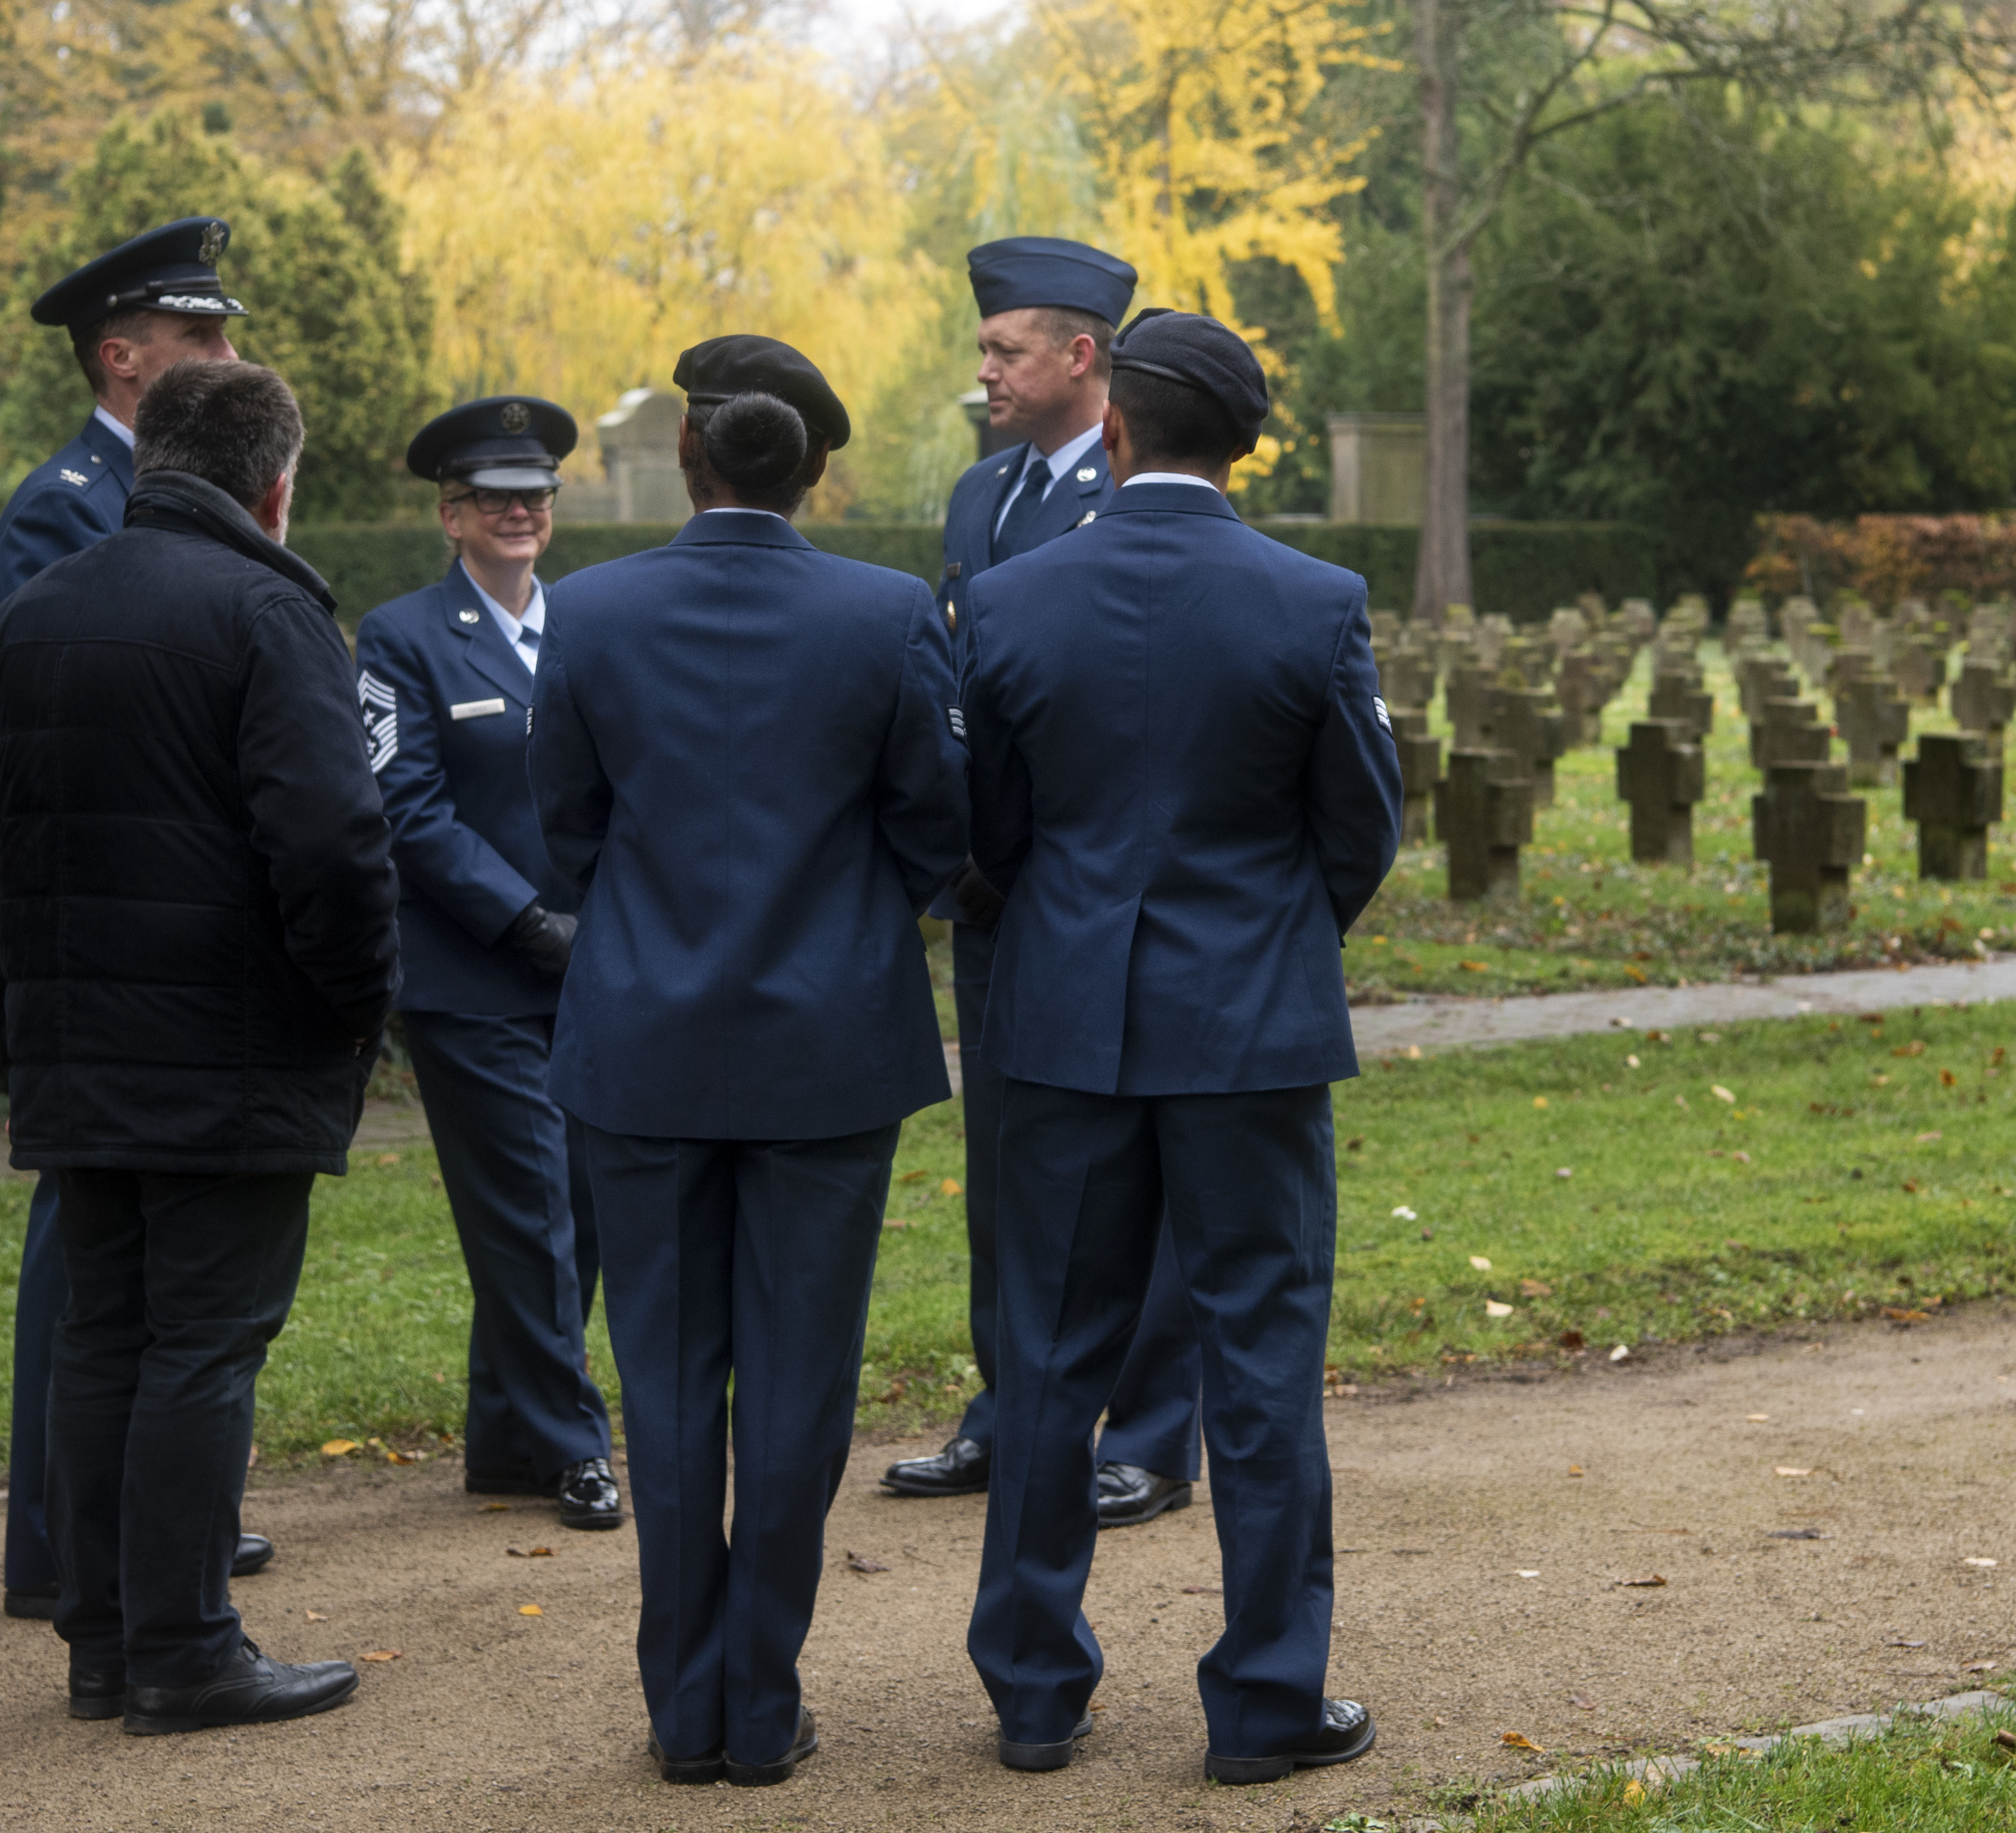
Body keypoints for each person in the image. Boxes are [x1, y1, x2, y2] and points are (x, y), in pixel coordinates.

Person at [958, 309, 1401, 1783]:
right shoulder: (1315, 598)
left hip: (1069, 1027)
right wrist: (1270, 937)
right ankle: (1267, 1704)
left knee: (1047, 1357)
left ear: (1121, 426)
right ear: (1244, 445)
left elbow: (996, 836)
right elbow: (1361, 827)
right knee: (1261, 1366)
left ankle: (1033, 1688)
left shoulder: (1014, 600)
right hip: (1252, 1033)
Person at [528, 335, 966, 1786]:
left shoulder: (586, 611)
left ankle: (682, 1701)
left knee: (661, 1381)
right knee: (797, 1386)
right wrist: (847, 922)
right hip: (826, 1047)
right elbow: (935, 824)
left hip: (642, 1038)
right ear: (813, 476)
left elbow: (566, 827)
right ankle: (760, 1701)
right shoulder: (889, 610)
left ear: (682, 464)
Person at [0, 359, 399, 1733]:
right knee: (203, 1343)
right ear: (277, 486)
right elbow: (332, 843)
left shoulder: (35, 611)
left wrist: (36, 1001)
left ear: (152, 461)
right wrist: (348, 1004)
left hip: (80, 1043)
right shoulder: (270, 611)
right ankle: (187, 1646)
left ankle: (107, 1646)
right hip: (230, 1045)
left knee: (107, 1335)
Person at [0, 216, 277, 1622]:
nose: (226, 353)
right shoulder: (63, 506)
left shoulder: (167, 484)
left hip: (164, 935)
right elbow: (49, 737)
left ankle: (152, 1514)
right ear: (123, 355)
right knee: (86, 1266)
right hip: (114, 941)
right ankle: (60, 1539)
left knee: (128, 1271)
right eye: (201, 339)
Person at [881, 236, 1205, 1531]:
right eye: (984, 348)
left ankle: (1152, 1432)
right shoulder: (984, 496)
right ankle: (1011, 1411)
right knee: (1009, 1160)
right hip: (996, 890)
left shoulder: (1147, 483)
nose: (987, 371)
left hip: (1110, 886)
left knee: (1146, 1163)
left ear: (1084, 357)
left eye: (1006, 350)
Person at [353, 399, 621, 1532]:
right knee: (530, 1215)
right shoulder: (402, 636)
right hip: (477, 979)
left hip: (596, 973)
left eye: (539, 495)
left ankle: (509, 1441)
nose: (522, 511)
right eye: (496, 497)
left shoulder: (596, 627)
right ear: (452, 515)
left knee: (579, 1210)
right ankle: (577, 1447)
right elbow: (403, 809)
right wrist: (525, 924)